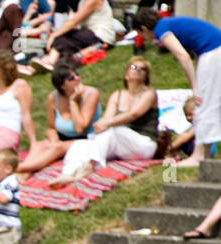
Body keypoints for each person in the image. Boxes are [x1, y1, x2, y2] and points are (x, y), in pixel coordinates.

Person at [48, 56, 155, 188]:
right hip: (122, 145)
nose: (138, 70)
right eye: (134, 67)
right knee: (80, 145)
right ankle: (68, 173)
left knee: (112, 129)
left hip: (144, 144)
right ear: (126, 74)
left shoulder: (149, 93)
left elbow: (134, 113)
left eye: (142, 68)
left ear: (146, 75)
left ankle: (90, 164)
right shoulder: (118, 95)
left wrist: (107, 123)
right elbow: (106, 118)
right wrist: (100, 125)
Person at [135, 8, 221, 169]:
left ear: (144, 29)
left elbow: (183, 56)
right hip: (214, 50)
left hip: (213, 52)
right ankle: (205, 154)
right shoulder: (167, 23)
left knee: (202, 104)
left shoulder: (161, 29)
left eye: (142, 36)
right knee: (208, 104)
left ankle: (198, 155)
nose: (145, 40)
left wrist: (195, 87)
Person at [15, 60, 101, 177]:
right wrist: (54, 140)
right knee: (38, 146)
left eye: (77, 74)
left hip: (87, 139)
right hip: (63, 140)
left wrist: (73, 103)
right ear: (62, 85)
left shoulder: (91, 94)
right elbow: (51, 128)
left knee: (58, 148)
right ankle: (22, 175)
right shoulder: (53, 97)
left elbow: (80, 128)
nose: (77, 78)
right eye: (71, 78)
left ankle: (17, 168)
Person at [30, 0, 120, 73]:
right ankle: (48, 61)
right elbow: (69, 24)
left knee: (62, 37)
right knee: (65, 38)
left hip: (102, 36)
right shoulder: (78, 3)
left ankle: (50, 60)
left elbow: (73, 22)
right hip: (88, 36)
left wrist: (53, 36)